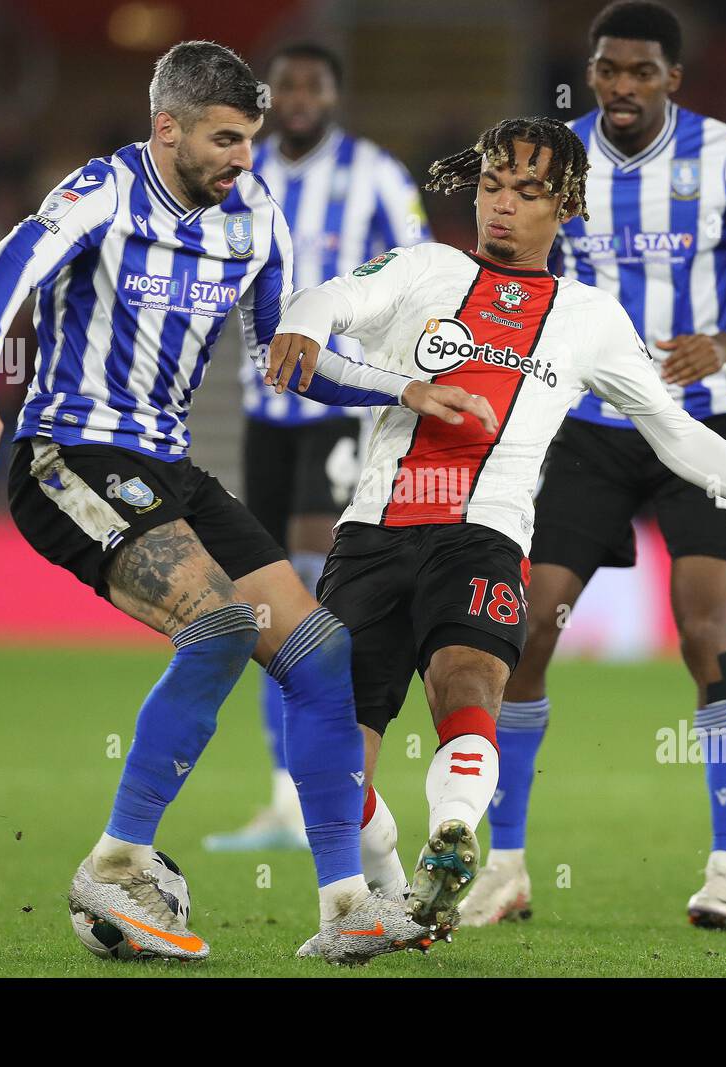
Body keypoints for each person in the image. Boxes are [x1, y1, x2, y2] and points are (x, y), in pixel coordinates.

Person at [265, 115, 726, 949]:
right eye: (492, 186)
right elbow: (331, 299)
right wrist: (308, 323)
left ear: (564, 206)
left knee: (468, 687)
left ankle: (454, 835)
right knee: (335, 758)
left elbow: (682, 439)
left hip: (483, 536)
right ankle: (393, 882)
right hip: (374, 533)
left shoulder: (590, 319)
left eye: (526, 193)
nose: (501, 207)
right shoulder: (426, 268)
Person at [0, 39, 492, 965]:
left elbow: (294, 361)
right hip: (69, 456)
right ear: (168, 129)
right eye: (228, 140)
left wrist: (403, 389)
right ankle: (117, 862)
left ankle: (345, 903)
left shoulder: (256, 221)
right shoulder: (104, 192)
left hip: (172, 467)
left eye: (253, 140)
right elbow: (6, 272)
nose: (246, 159)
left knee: (322, 657)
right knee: (222, 625)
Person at [464, 1, 726, 930]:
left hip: (699, 427)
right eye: (608, 70)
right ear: (591, 72)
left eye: (642, 72)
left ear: (674, 80)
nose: (622, 86)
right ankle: (505, 865)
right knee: (529, 624)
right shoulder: (556, 162)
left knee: (704, 631)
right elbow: (511, 275)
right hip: (584, 423)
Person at [207, 42, 431, 853]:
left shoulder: (375, 172)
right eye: (289, 85)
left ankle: (328, 788)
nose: (300, 97)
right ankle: (282, 796)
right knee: (263, 597)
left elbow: (417, 272)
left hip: (339, 404)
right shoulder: (240, 167)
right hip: (265, 409)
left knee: (309, 583)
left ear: (336, 94)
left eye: (315, 85)